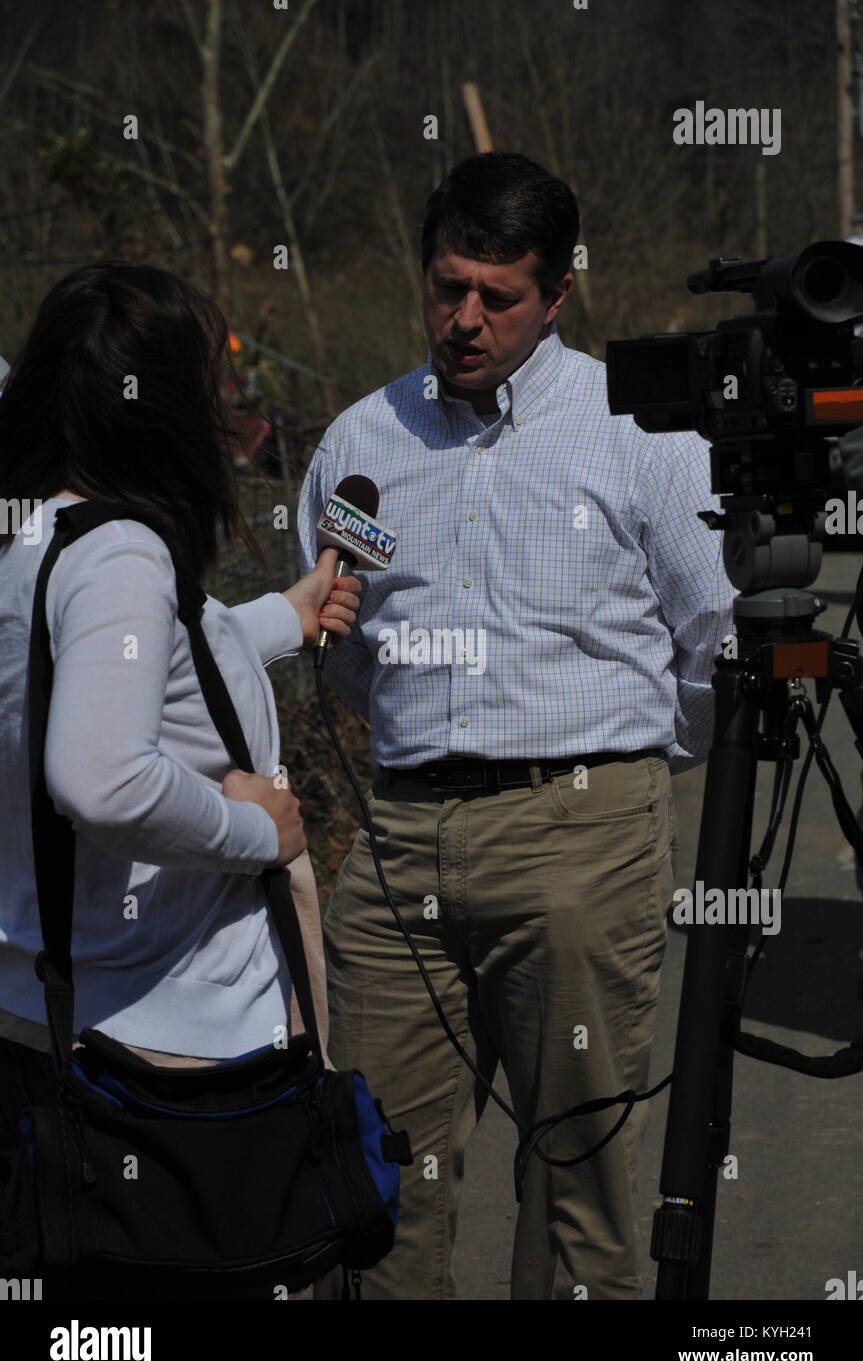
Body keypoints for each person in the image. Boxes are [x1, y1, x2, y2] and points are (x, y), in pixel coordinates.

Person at [297, 152, 735, 1301]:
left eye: (497, 296)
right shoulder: (359, 444)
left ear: (556, 294)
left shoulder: (639, 430)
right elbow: (337, 640)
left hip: (579, 833)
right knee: (374, 1179)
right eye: (447, 286)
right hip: (398, 843)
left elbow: (714, 639)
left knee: (575, 1183)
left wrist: (621, 767)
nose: (464, 319)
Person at [0, 263, 360, 1165]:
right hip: (160, 1036)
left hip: (45, 998)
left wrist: (282, 616)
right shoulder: (121, 553)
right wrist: (255, 832)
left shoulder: (33, 536)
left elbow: (117, 663)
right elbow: (102, 778)